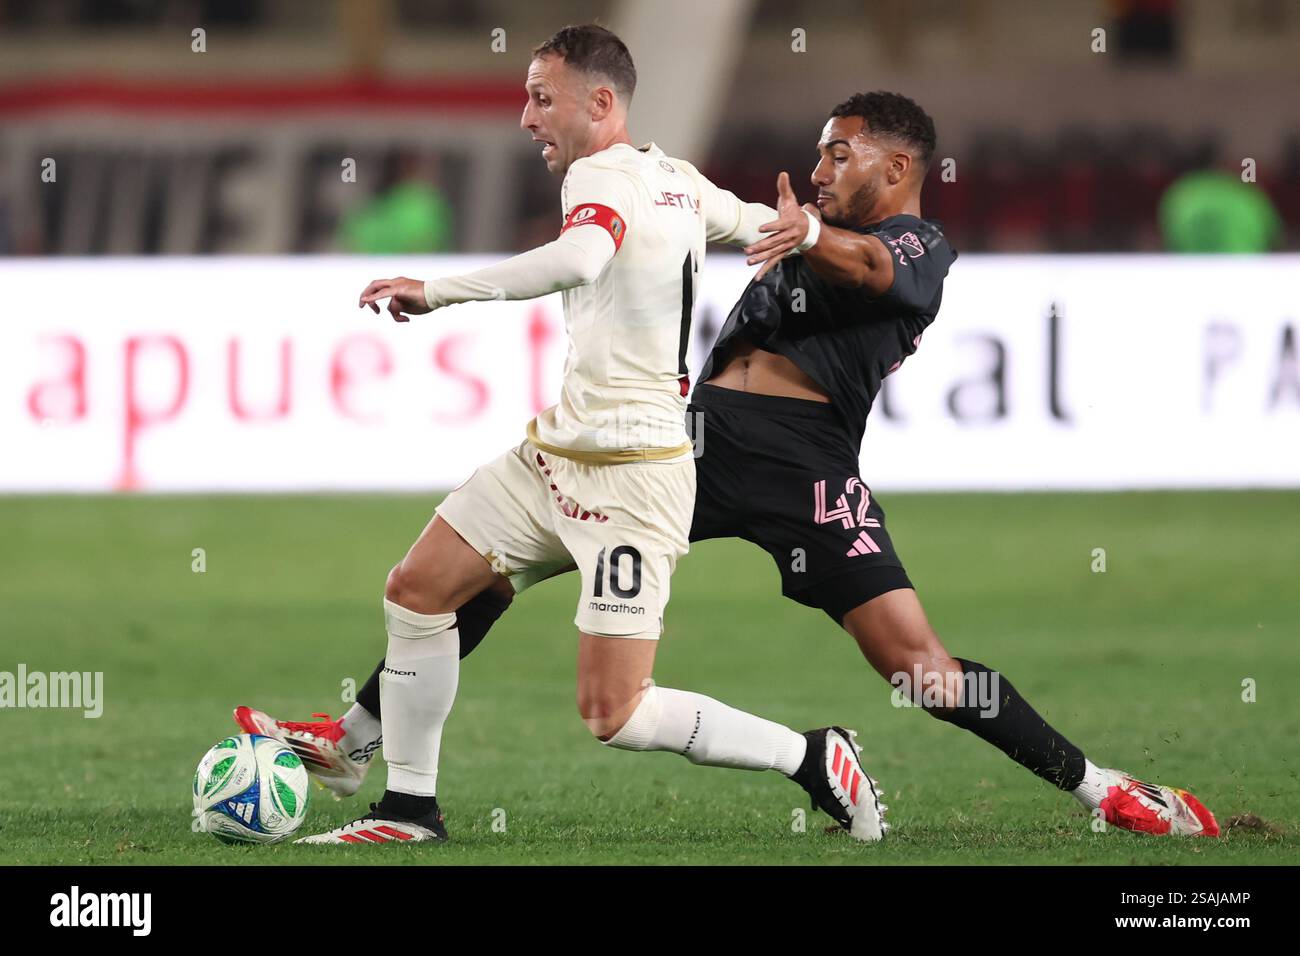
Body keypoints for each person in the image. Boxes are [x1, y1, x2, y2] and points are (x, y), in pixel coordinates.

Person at [244, 89, 1219, 841]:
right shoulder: (794, 227)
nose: (822, 165)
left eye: (841, 151)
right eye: (819, 150)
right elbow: (711, 218)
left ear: (899, 161)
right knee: (489, 566)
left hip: (808, 472)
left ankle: (1103, 786)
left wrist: (811, 232)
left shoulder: (915, 243)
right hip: (692, 444)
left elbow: (879, 271)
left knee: (916, 666)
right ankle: (364, 738)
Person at [274, 24, 887, 846]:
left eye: (540, 98)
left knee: (616, 712)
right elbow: (748, 222)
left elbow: (579, 258)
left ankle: (812, 757)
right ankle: (404, 805)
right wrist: (801, 227)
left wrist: (438, 289)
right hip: (558, 454)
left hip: (635, 479)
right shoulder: (674, 178)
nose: (527, 119)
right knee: (419, 589)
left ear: (600, 103)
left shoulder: (601, 176)